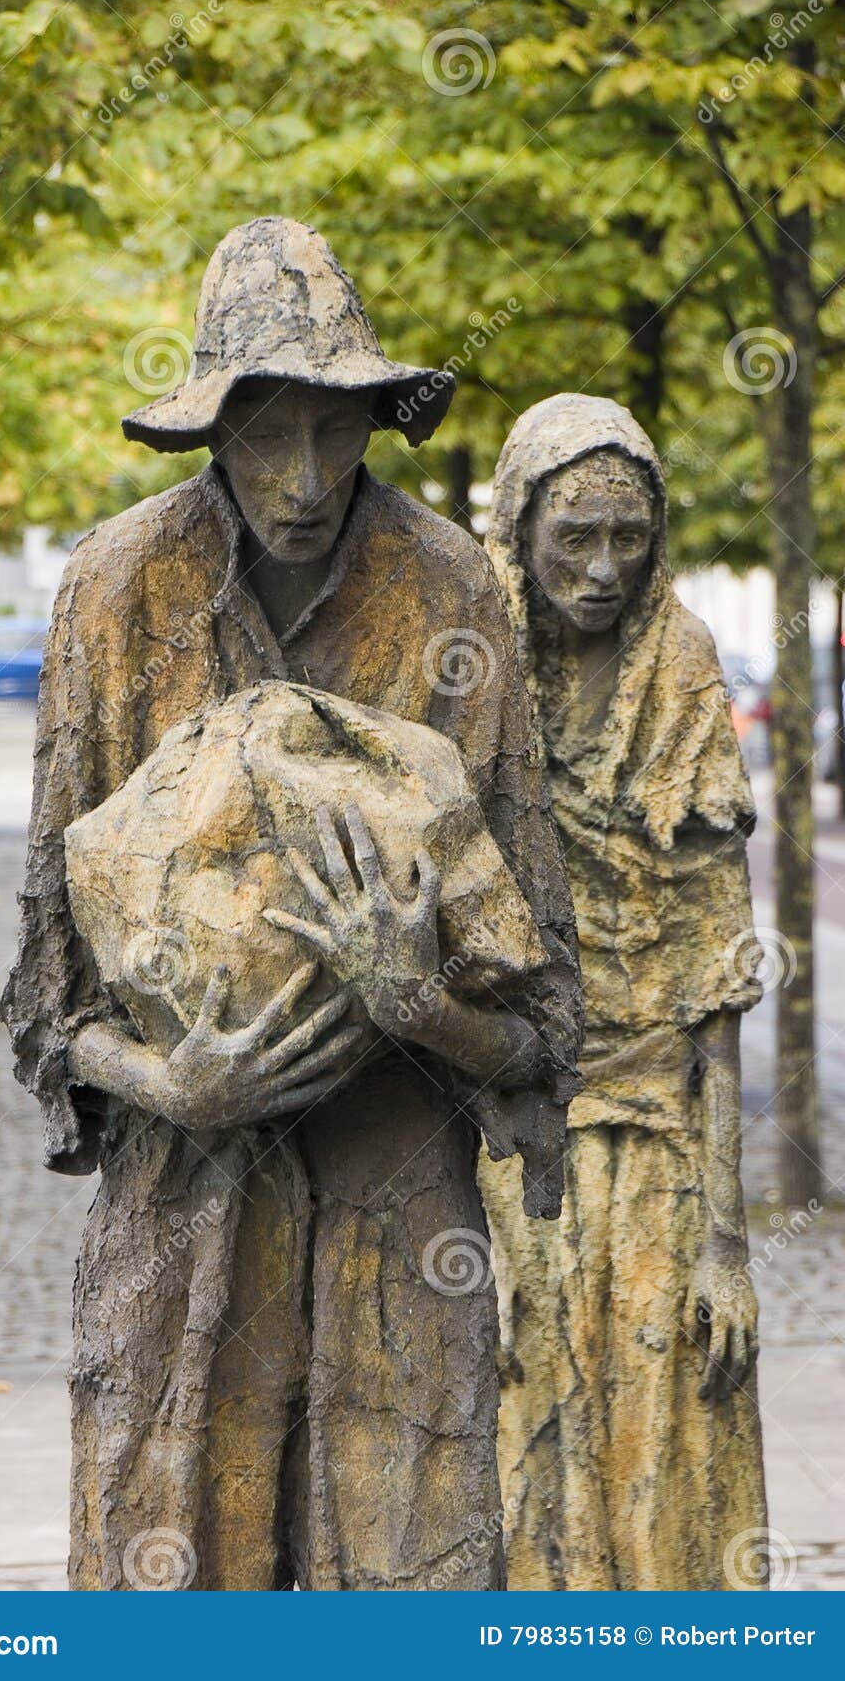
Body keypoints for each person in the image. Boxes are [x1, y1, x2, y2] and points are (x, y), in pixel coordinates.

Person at [1, 218, 580, 1590]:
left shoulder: (449, 589)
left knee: (404, 1581)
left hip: (397, 1210)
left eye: (335, 429)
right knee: (172, 1585)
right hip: (181, 1201)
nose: (304, 476)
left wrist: (420, 1003)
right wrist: (163, 1075)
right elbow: (41, 994)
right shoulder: (114, 589)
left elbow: (546, 1017)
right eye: (264, 430)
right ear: (211, 425)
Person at [479, 392, 767, 1590]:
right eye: (573, 540)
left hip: (657, 1139)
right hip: (504, 1130)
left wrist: (730, 1244)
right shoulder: (471, 663)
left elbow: (715, 977)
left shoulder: (683, 667)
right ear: (518, 527)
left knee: (668, 1439)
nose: (602, 571)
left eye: (629, 539)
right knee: (520, 1437)